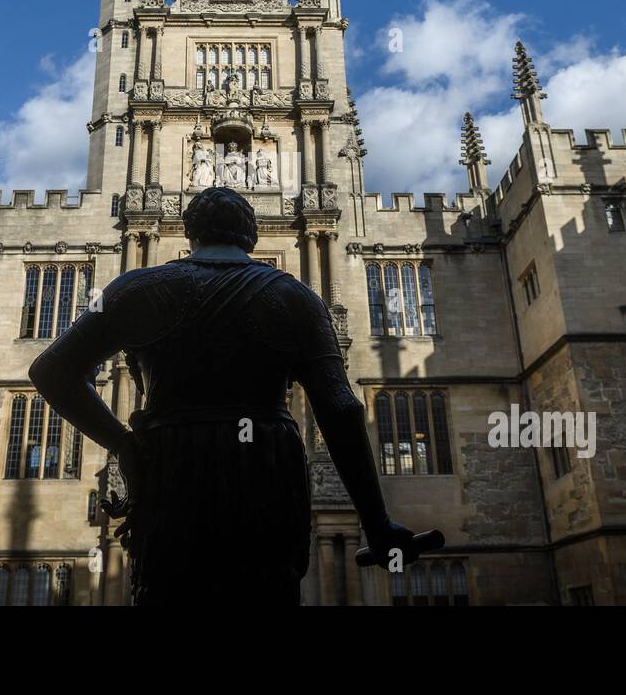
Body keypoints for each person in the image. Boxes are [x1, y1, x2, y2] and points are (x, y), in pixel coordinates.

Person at [28, 187, 424, 605]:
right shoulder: (299, 298)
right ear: (251, 238)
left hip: (172, 465)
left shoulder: (136, 288)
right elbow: (341, 408)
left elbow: (51, 371)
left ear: (188, 233)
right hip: (266, 467)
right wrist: (377, 523)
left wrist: (123, 443)